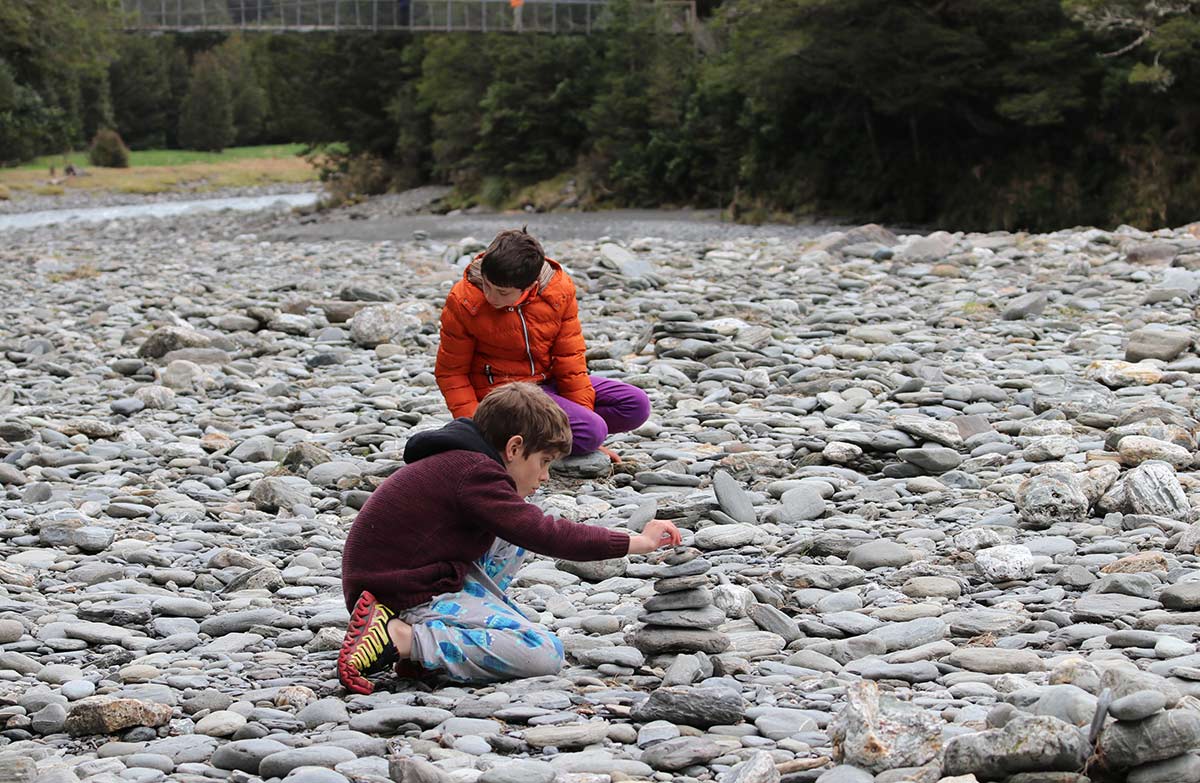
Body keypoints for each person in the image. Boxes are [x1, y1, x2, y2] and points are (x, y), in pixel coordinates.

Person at [338, 382, 681, 694]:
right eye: (544, 461)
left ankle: (436, 640)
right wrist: (637, 542)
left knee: (513, 530)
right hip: (402, 591)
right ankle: (400, 637)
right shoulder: (476, 474)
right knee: (544, 654)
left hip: (408, 575)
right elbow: (548, 535)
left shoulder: (464, 462)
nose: (545, 476)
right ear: (515, 447)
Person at [435, 227, 650, 462]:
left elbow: (570, 359)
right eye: (486, 285)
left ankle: (550, 435)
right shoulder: (464, 299)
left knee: (635, 405)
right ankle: (524, 440)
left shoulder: (558, 291)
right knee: (591, 431)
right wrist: (476, 430)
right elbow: (451, 372)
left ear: (529, 287)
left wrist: (584, 425)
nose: (490, 296)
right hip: (503, 395)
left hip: (547, 383)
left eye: (502, 292)